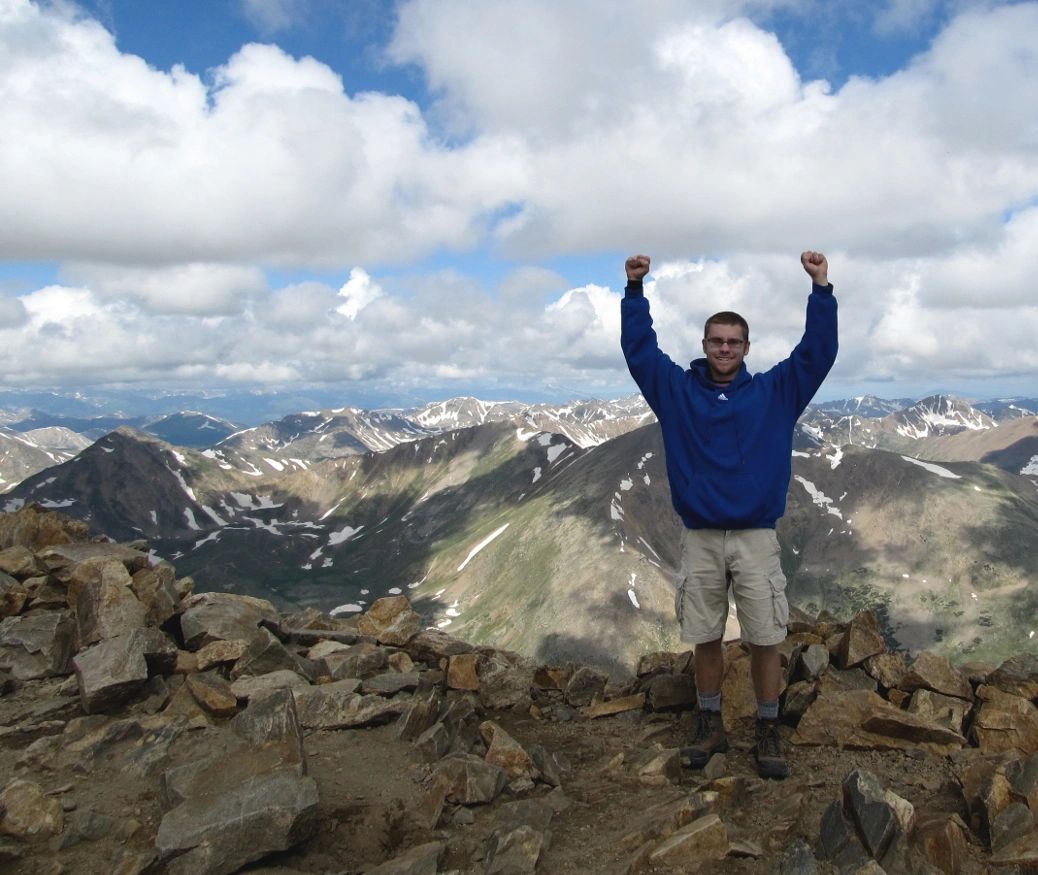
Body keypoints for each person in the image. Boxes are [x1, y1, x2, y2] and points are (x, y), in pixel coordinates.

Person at [620, 251, 838, 779]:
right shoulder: (677, 392)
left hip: (756, 536)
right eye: (716, 341)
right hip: (700, 536)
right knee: (706, 635)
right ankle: (710, 724)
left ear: (746, 348)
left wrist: (821, 290)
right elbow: (640, 352)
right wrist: (634, 291)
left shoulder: (775, 392)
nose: (724, 349)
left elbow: (817, 354)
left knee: (765, 637)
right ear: (704, 345)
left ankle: (767, 730)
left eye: (733, 342)